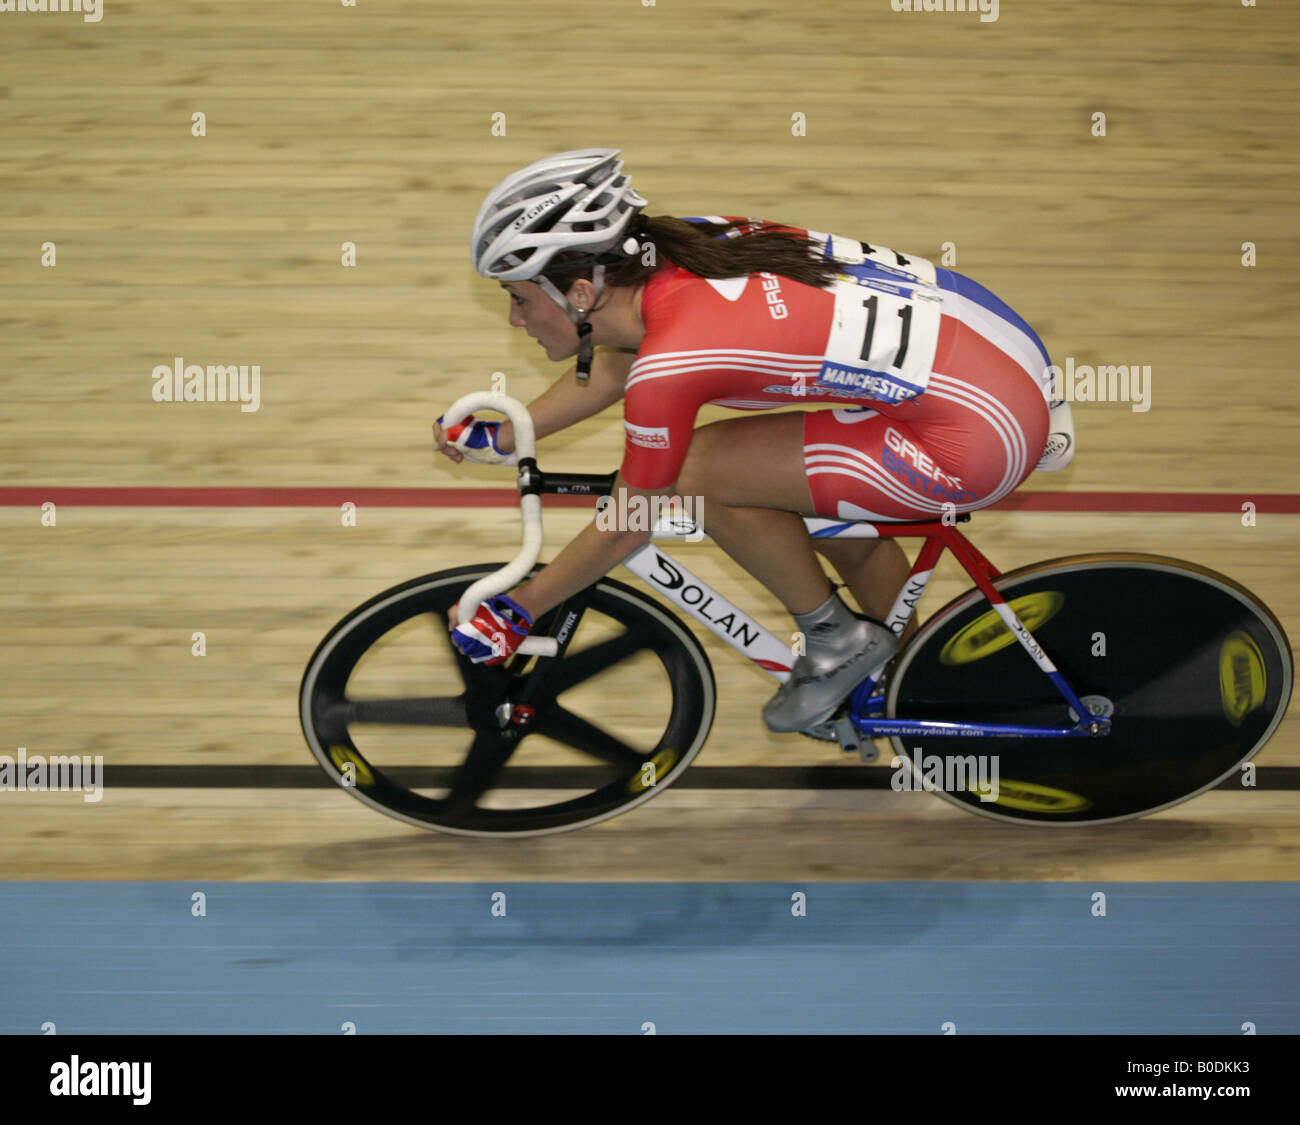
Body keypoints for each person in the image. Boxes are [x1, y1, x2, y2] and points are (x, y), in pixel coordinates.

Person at [434, 148, 1074, 734]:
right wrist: (515, 432)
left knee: (698, 470)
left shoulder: (676, 357)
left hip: (979, 434)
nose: (516, 319)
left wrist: (521, 609)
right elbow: (622, 352)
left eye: (518, 300)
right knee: (795, 508)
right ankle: (921, 688)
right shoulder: (678, 246)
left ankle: (836, 641)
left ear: (580, 291)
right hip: (998, 362)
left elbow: (634, 516)